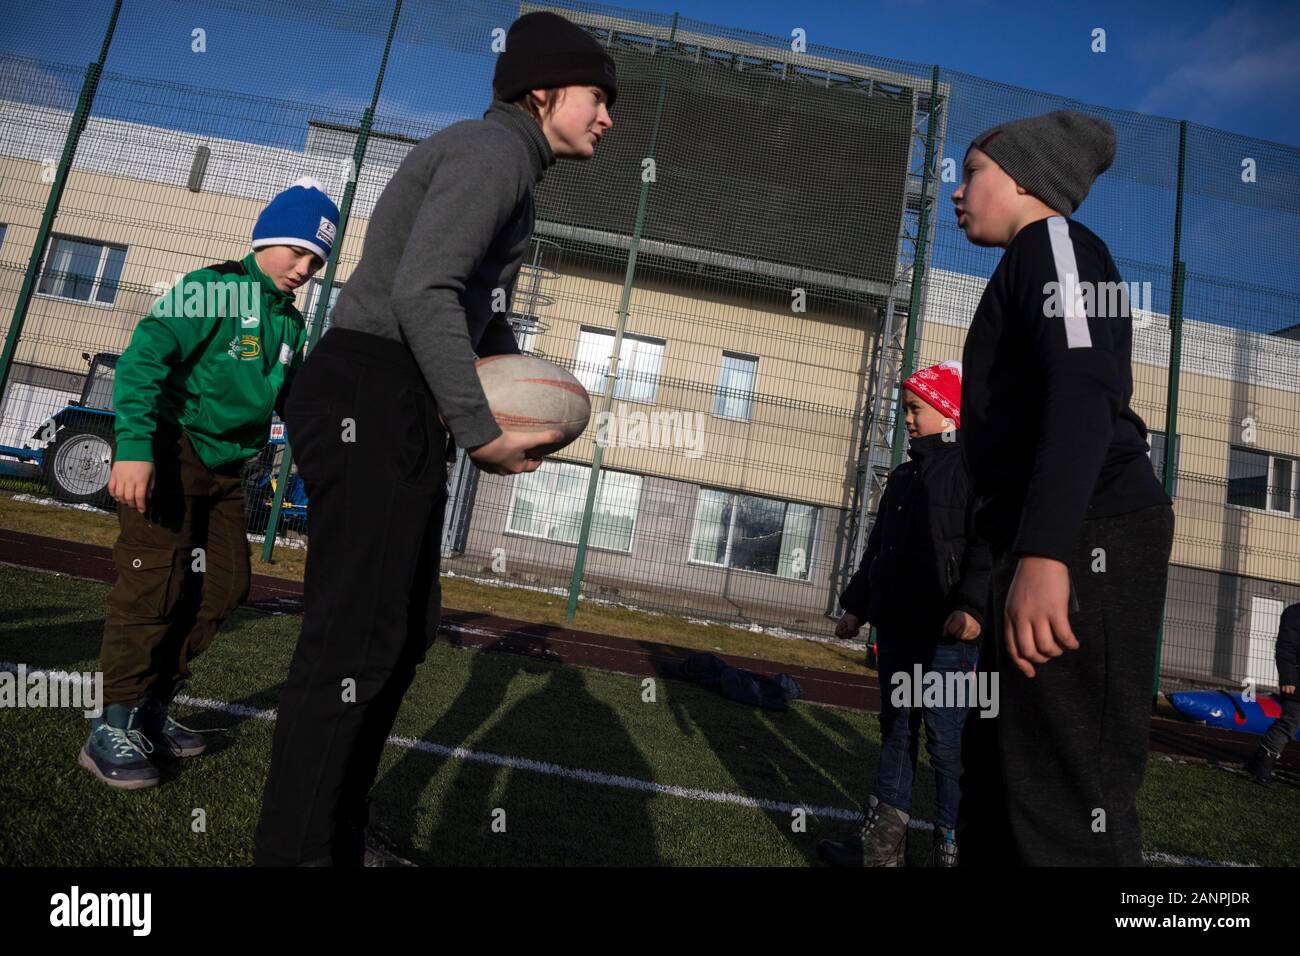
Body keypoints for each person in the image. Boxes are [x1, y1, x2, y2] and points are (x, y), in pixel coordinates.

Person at [253, 10, 617, 866]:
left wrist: (526, 378)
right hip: (375, 390)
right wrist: (481, 426)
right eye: (598, 97)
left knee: (403, 630)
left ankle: (336, 833)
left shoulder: (510, 168)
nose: (608, 118)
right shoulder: (492, 154)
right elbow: (423, 293)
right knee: (354, 640)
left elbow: (464, 311)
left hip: (396, 393)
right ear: (543, 92)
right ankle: (299, 851)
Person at [953, 111, 1175, 865]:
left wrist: (1047, 554)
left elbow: (1083, 388)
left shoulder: (1055, 247)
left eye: (971, 172)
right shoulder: (1028, 260)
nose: (956, 192)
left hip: (1091, 534)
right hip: (1052, 536)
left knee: (1066, 800)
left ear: (1022, 179)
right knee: (1002, 786)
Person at [80, 177, 337, 789]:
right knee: (155, 586)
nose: (303, 269)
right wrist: (135, 449)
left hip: (226, 472)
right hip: (169, 454)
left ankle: (150, 711)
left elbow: (297, 405)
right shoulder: (211, 290)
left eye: (316, 261)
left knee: (224, 587)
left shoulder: (292, 326)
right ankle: (108, 725)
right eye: (296, 251)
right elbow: (144, 358)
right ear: (267, 238)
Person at [818, 361, 989, 867]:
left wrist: (972, 608)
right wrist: (857, 607)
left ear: (949, 409)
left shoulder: (972, 473)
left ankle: (950, 847)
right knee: (895, 731)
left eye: (916, 409)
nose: (907, 419)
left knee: (946, 742)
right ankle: (883, 847)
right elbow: (880, 551)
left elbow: (986, 550)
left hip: (947, 641)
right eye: (905, 409)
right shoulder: (905, 476)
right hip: (897, 630)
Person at [1245, 601, 1299, 784]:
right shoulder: (1294, 613)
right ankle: (1262, 765)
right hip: (1297, 680)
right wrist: (1288, 678)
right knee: (1289, 722)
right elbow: (1286, 647)